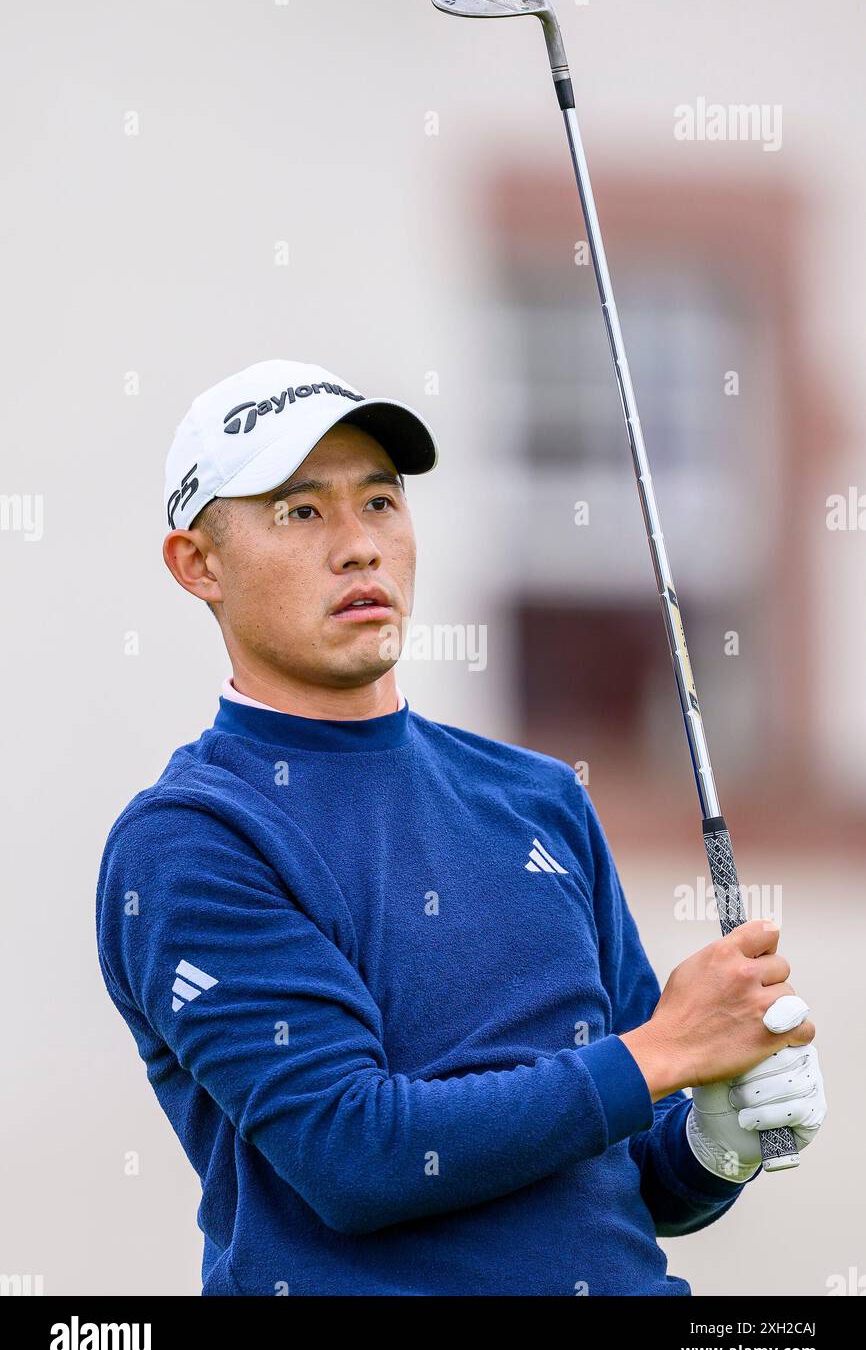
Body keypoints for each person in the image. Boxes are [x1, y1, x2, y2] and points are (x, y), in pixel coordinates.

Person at [95, 357, 826, 1297]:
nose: (359, 547)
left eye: (381, 504)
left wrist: (712, 1143)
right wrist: (667, 1052)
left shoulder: (535, 795)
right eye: (301, 512)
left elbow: (626, 1169)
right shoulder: (192, 838)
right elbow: (356, 1156)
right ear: (197, 564)